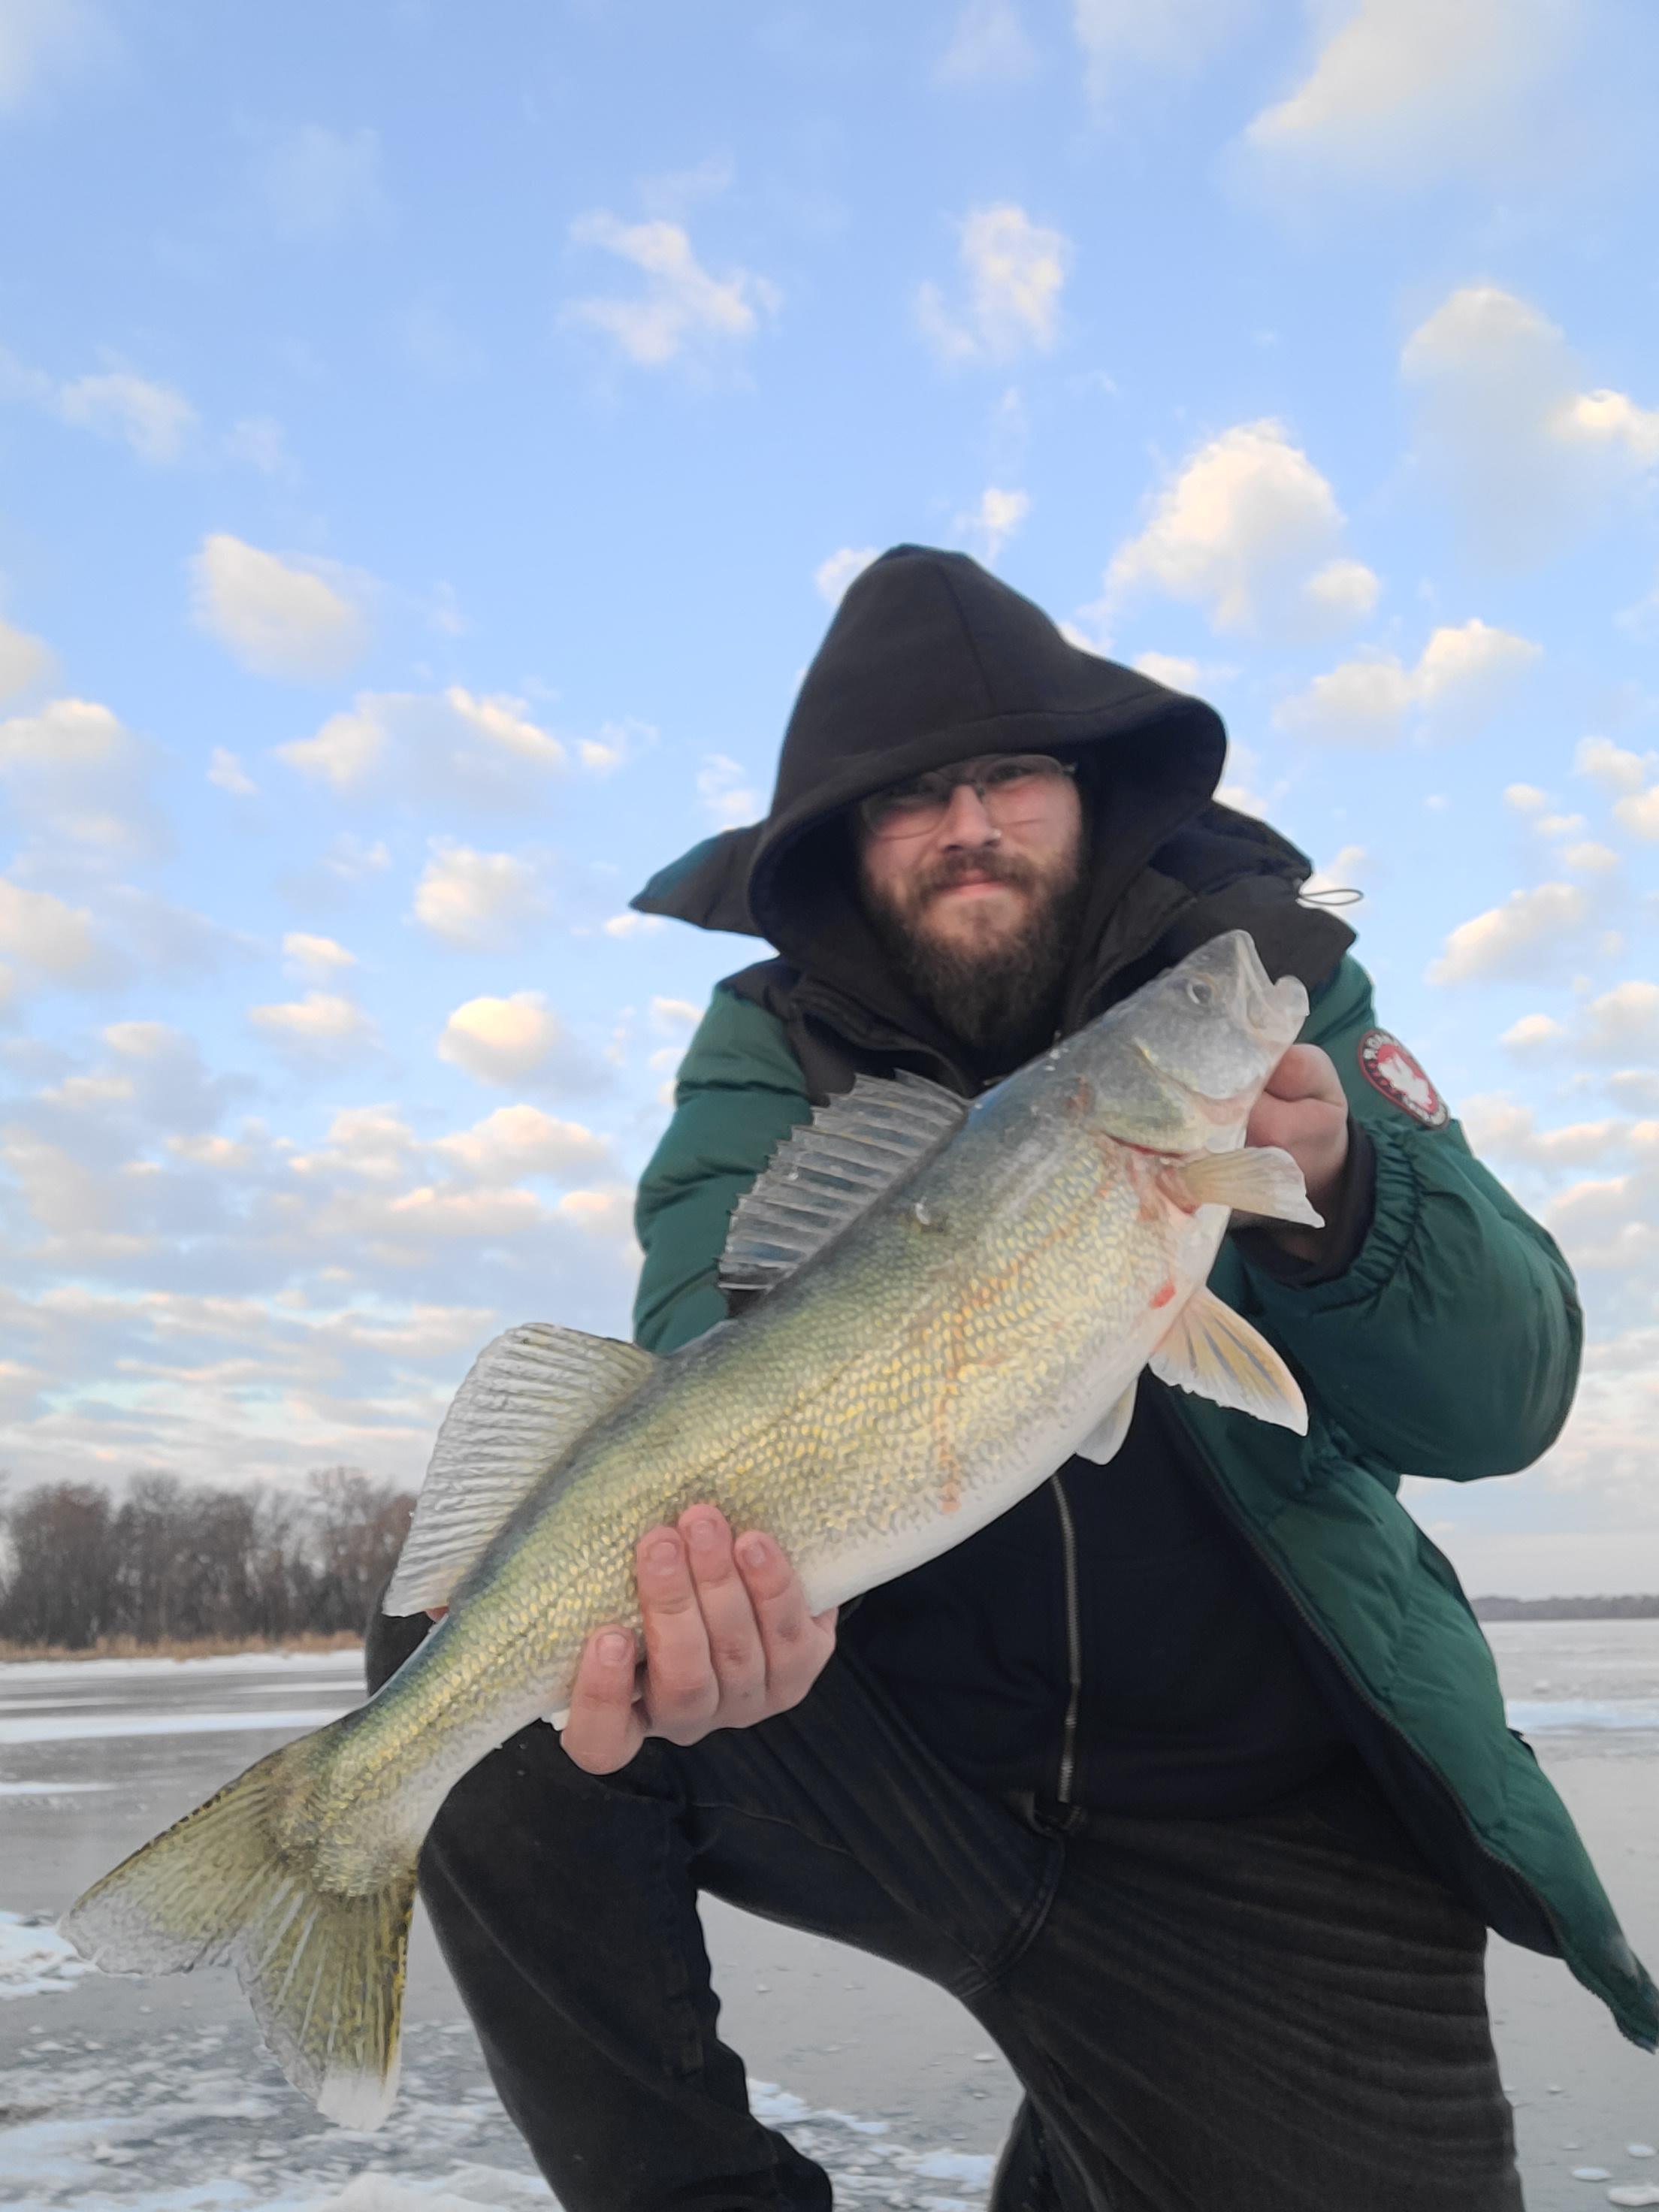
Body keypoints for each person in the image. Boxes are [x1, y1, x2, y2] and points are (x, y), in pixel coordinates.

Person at [367, 546, 1655, 2210]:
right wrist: (714, 1593)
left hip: (1262, 1826)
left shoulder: (1274, 1007)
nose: (966, 817)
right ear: (844, 841)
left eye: (1010, 772)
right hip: (895, 1761)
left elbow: (1510, 1393)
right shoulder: (767, 1044)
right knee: (480, 1623)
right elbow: (706, 1320)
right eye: (909, 794)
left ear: (1088, 790)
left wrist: (1346, 1200)